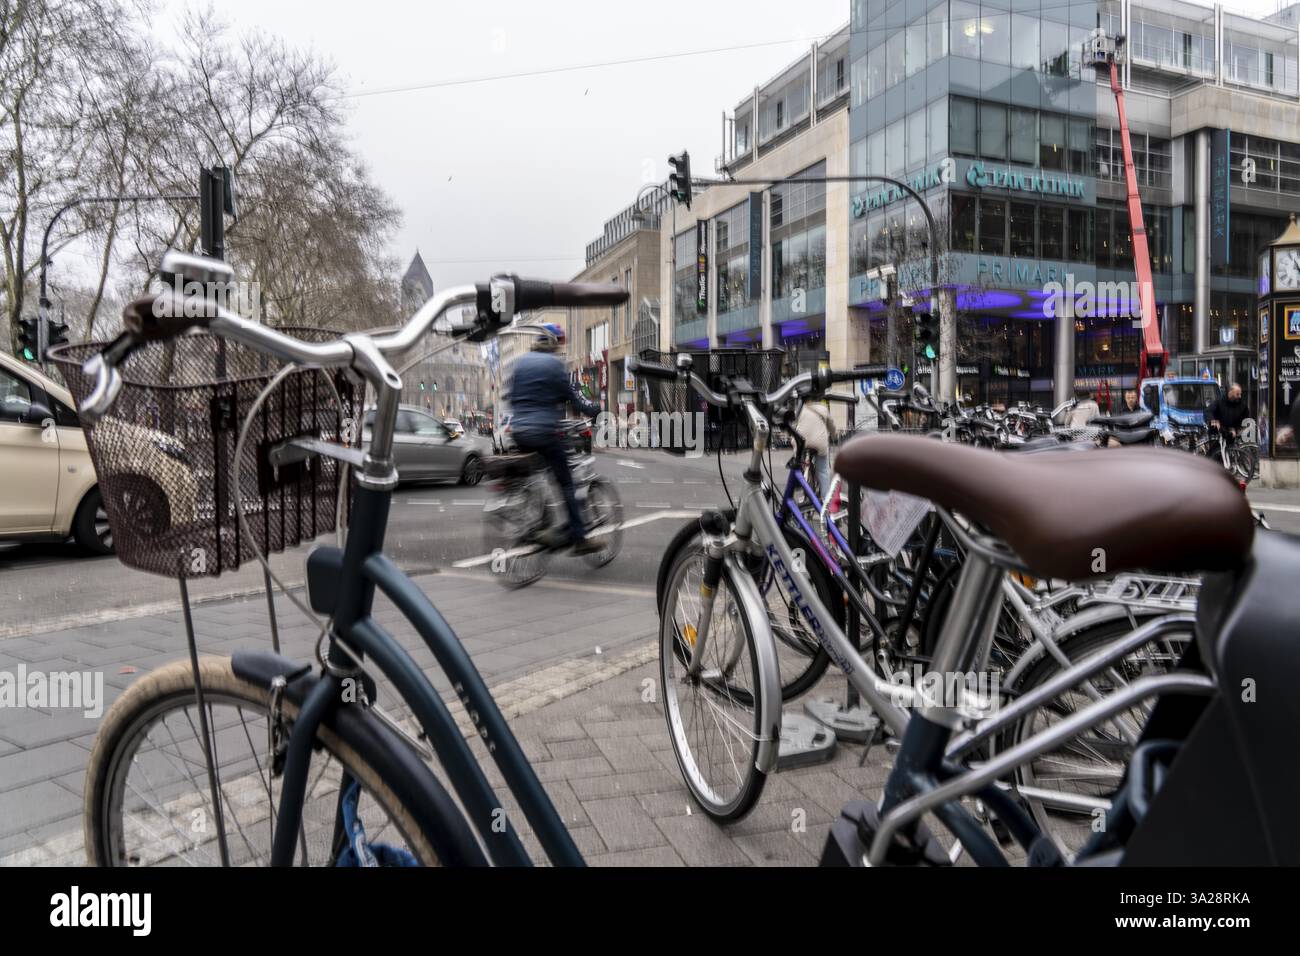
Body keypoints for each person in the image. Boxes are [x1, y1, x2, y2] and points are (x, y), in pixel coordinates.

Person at [506, 323, 603, 554]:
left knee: (540, 473)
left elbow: (511, 398)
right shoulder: (554, 365)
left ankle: (537, 517)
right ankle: (579, 538)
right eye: (559, 342)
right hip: (544, 432)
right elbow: (573, 400)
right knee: (566, 482)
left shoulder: (520, 363)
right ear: (552, 343)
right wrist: (595, 411)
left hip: (519, 431)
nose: (560, 347)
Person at [794, 398, 836, 501]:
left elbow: (793, 425)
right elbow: (832, 427)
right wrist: (834, 437)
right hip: (819, 444)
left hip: (801, 443)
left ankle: (804, 479)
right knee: (823, 471)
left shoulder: (800, 409)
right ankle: (826, 498)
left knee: (801, 464)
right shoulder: (823, 408)